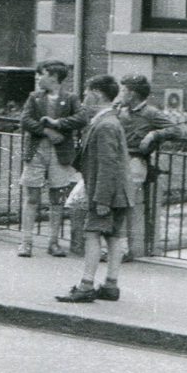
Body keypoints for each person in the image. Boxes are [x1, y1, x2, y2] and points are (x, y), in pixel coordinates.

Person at [56, 74, 130, 303]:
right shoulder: (109, 121)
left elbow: (108, 165)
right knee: (114, 236)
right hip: (120, 193)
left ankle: (86, 285)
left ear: (96, 93)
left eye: (86, 92)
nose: (84, 97)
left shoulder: (105, 124)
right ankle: (111, 285)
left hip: (106, 193)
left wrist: (101, 200)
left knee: (92, 234)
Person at [16, 59, 80, 257]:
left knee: (57, 198)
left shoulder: (70, 98)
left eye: (40, 74)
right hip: (36, 151)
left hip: (59, 154)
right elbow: (25, 120)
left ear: (53, 77)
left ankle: (53, 242)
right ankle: (26, 242)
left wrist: (58, 123)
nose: (37, 78)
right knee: (32, 196)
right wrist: (46, 132)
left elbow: (81, 118)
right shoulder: (34, 97)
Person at [115, 73, 179, 261]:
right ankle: (115, 247)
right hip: (118, 160)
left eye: (124, 90)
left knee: (128, 205)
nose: (122, 94)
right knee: (115, 204)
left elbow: (175, 129)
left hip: (135, 162)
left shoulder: (150, 113)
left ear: (133, 93)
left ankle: (126, 249)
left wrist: (153, 135)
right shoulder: (121, 110)